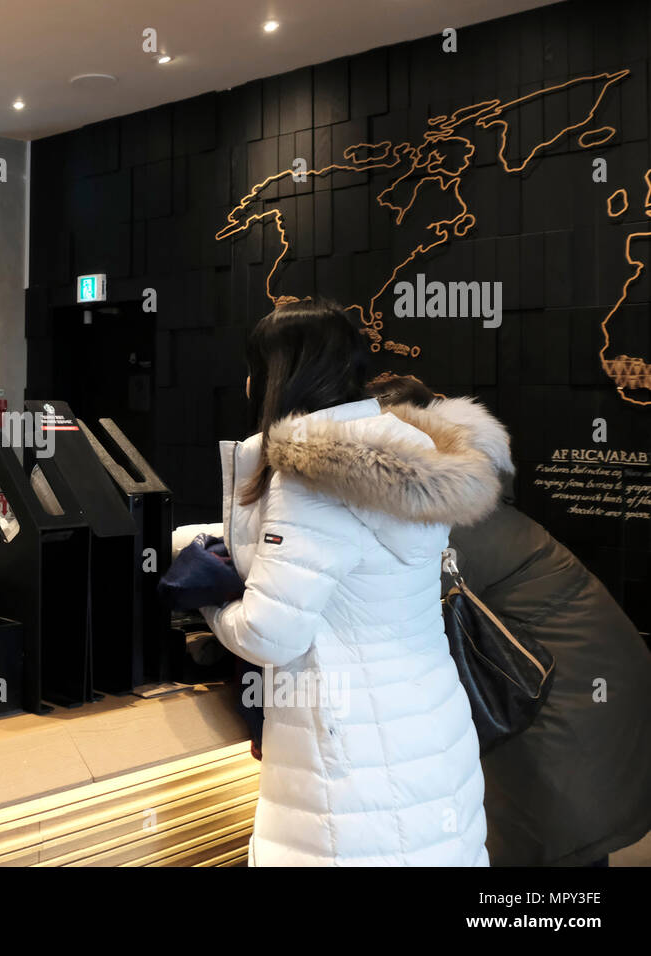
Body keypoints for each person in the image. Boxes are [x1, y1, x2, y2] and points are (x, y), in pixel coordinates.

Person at [201, 299, 509, 866]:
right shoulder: (408, 452)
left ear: (278, 375)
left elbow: (271, 635)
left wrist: (208, 599)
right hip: (430, 726)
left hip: (346, 757)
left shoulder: (312, 474)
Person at [366, 371, 651, 867]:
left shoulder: (440, 511)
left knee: (552, 837)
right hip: (583, 676)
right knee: (567, 840)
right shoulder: (473, 488)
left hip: (561, 694)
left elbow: (388, 606)